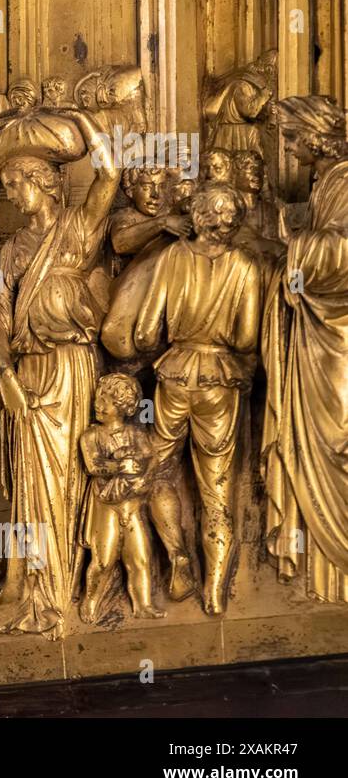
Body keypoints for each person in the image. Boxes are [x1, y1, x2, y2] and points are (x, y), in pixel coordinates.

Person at [0, 109, 118, 639]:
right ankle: (30, 584)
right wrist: (4, 372)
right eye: (5, 185)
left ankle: (64, 581)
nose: (10, 194)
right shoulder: (11, 250)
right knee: (32, 482)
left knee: (68, 474)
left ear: (46, 183)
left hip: (72, 369)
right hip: (28, 375)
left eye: (16, 184)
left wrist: (82, 119)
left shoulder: (78, 228)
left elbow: (111, 173)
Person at [134, 182, 263, 615]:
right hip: (219, 383)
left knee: (160, 471)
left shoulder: (172, 257)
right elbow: (247, 338)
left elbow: (145, 331)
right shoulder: (245, 266)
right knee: (217, 491)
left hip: (173, 376)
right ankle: (214, 590)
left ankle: (177, 557)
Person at [262, 95, 348, 603]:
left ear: (317, 135)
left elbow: (342, 250)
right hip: (321, 325)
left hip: (335, 330)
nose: (290, 150)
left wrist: (292, 241)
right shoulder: (327, 181)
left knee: (337, 432)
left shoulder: (343, 177)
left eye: (293, 138)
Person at [79, 374, 164, 622]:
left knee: (140, 558)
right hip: (106, 506)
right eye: (98, 399)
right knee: (103, 560)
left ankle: (143, 604)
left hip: (133, 505)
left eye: (106, 401)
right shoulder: (91, 436)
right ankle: (91, 601)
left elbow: (151, 459)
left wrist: (142, 477)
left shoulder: (135, 434)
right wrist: (121, 466)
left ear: (123, 406)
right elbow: (93, 466)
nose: (99, 405)